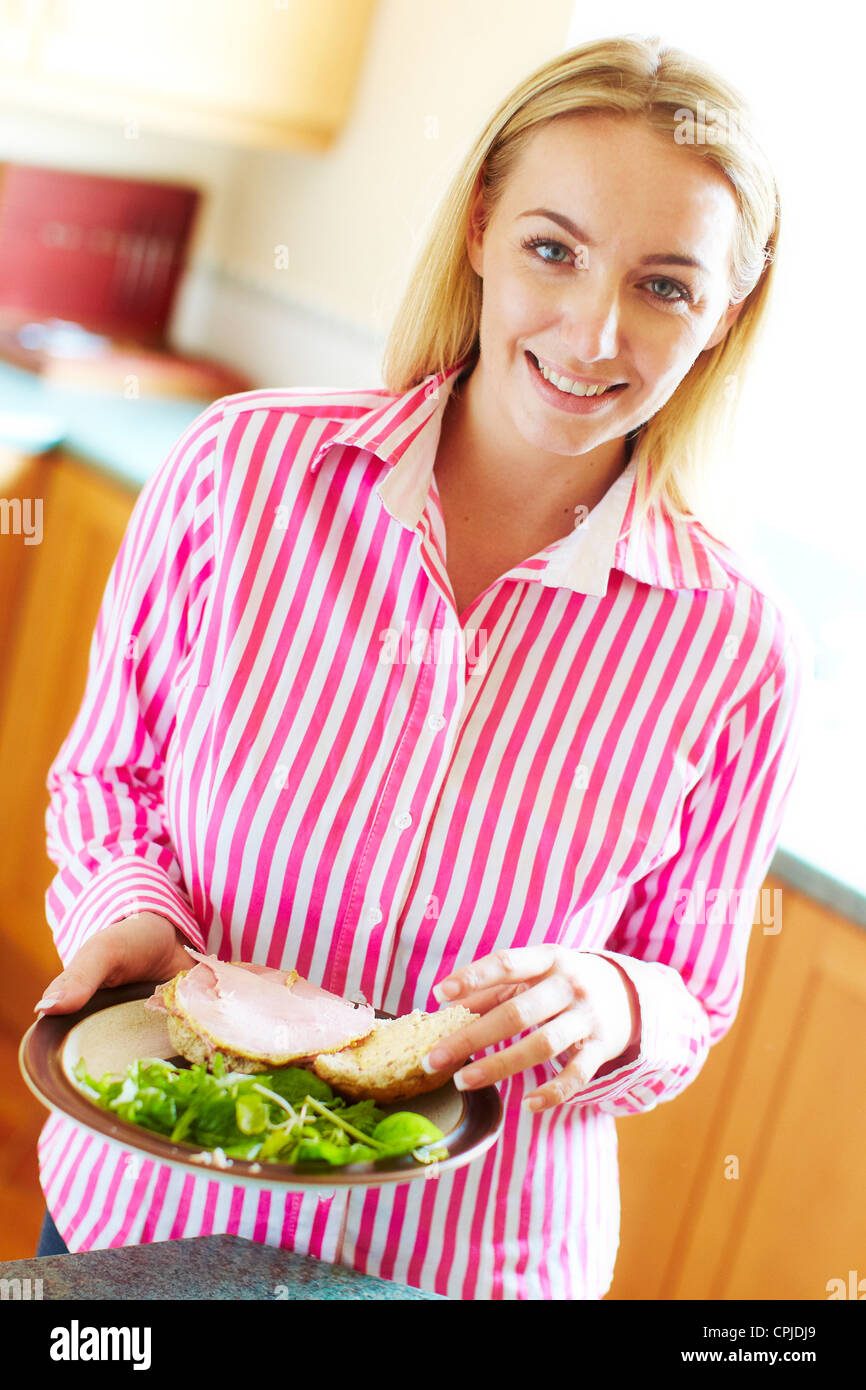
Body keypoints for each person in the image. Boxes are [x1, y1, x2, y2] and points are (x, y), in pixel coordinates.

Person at [32, 34, 808, 1299]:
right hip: (150, 1206)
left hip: (466, 1271)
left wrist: (612, 1002)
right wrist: (130, 913)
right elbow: (110, 771)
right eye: (552, 250)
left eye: (664, 285)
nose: (590, 330)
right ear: (482, 227)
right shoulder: (241, 474)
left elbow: (690, 994)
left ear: (723, 310)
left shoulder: (736, 642)